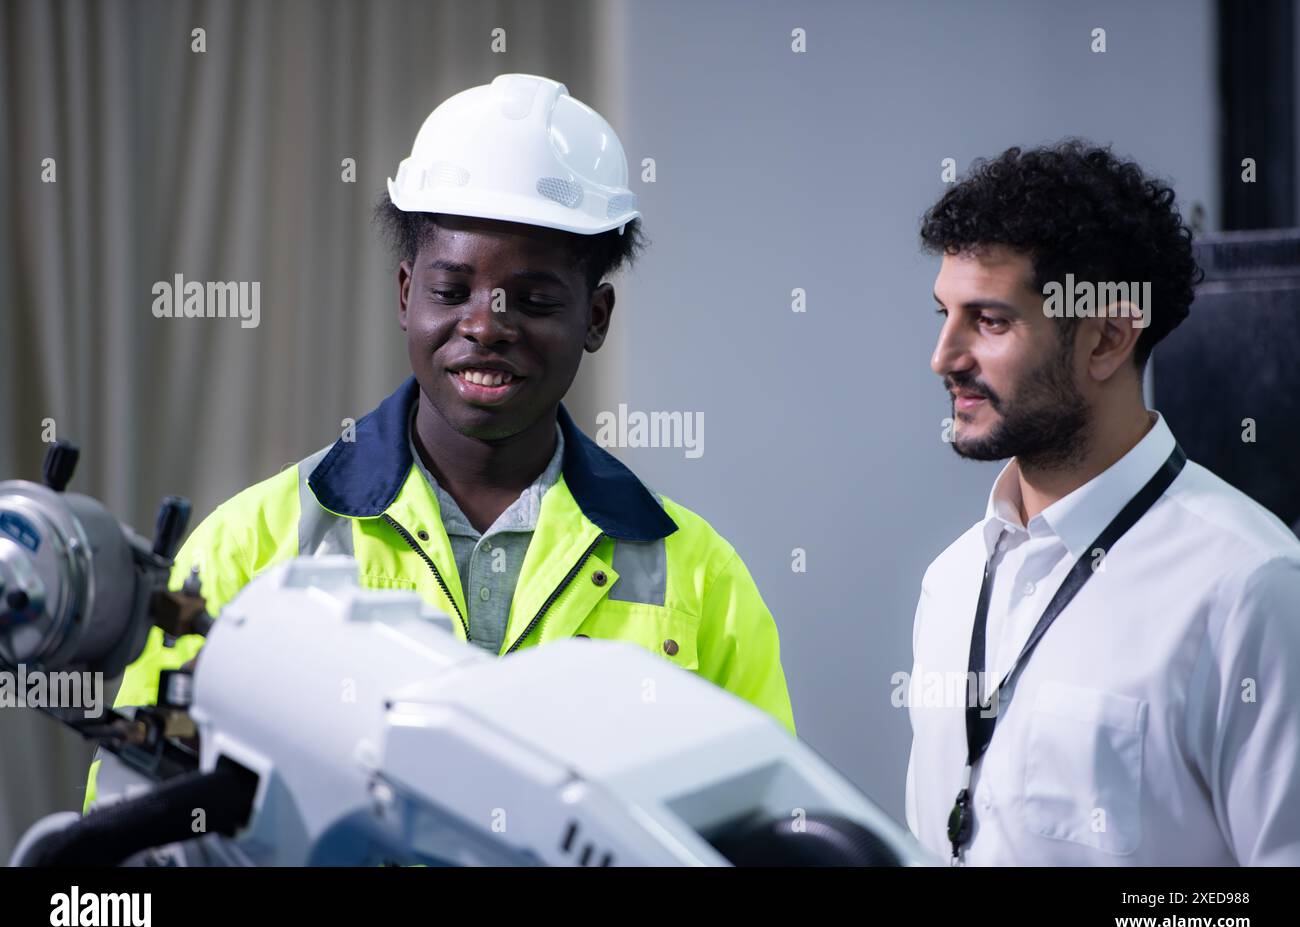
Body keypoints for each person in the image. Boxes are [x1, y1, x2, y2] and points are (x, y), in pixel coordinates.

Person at [84, 74, 794, 810]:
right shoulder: (247, 547)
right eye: (452, 292)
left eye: (534, 300)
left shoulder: (700, 576)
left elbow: (765, 826)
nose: (485, 326)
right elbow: (135, 823)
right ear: (406, 294)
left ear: (596, 317)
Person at [907, 140, 1300, 865]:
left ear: (1108, 338)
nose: (944, 357)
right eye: (945, 313)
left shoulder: (1252, 589)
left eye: (989, 321)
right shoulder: (951, 581)